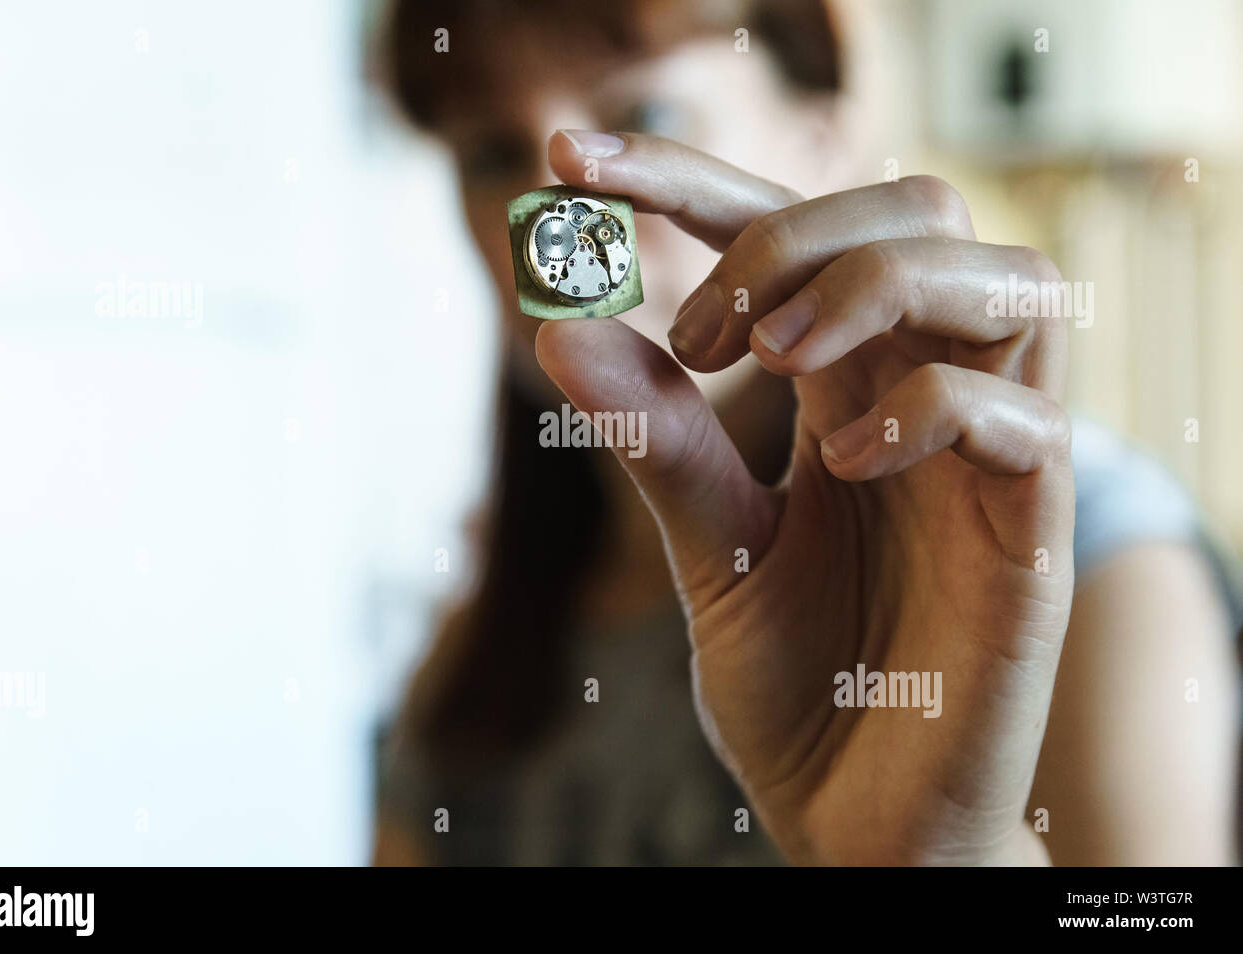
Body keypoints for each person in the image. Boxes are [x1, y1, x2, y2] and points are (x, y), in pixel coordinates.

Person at [370, 0, 1242, 865]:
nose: (559, 207)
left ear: (824, 143)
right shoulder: (488, 637)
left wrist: (942, 857)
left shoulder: (1052, 546)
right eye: (490, 154)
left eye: (647, 116)